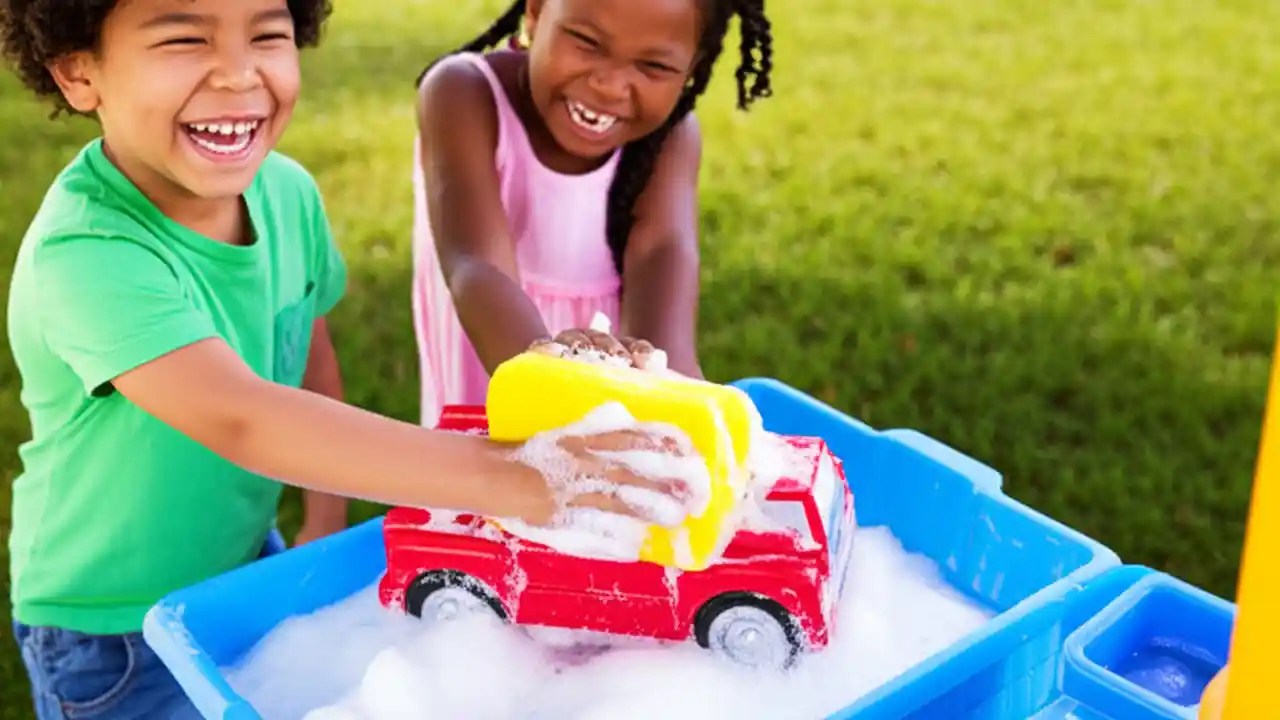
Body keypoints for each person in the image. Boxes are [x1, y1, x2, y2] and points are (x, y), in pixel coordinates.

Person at [0, 1, 705, 717]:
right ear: (76, 71)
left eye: (267, 35)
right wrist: (514, 475)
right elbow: (242, 418)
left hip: (246, 565)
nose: (240, 73)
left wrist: (323, 522)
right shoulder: (88, 255)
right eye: (186, 39)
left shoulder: (283, 192)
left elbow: (305, 346)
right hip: (109, 630)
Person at [411, 0, 774, 426]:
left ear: (691, 67)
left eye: (654, 66)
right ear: (536, 11)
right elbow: (477, 266)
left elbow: (663, 267)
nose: (609, 84)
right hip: (496, 352)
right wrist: (553, 386)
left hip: (608, 393)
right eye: (586, 42)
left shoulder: (670, 138)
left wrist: (669, 399)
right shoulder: (463, 93)